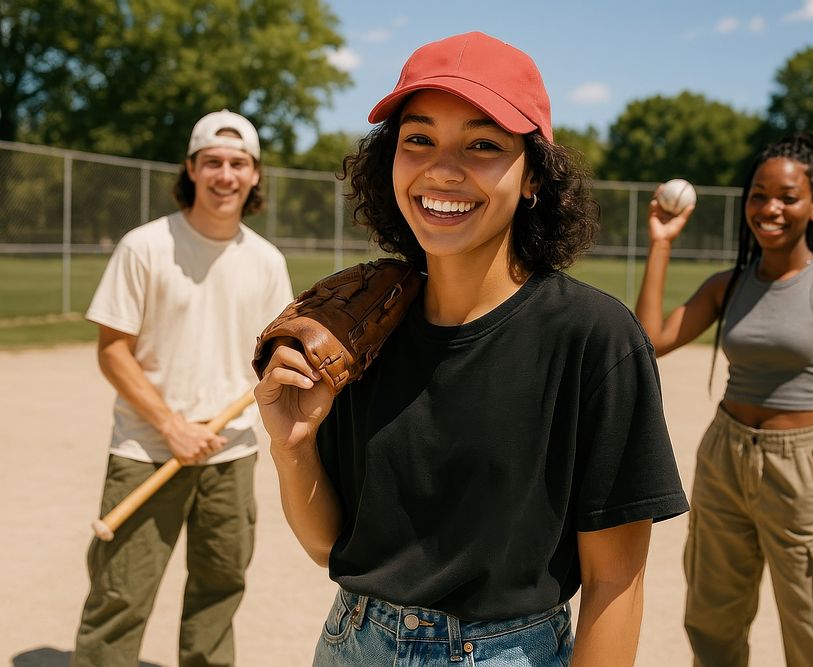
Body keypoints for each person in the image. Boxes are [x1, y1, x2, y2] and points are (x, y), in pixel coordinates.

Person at [254, 31, 689, 667]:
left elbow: (614, 583)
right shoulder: (360, 332)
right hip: (353, 641)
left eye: (483, 144)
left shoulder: (593, 338)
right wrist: (292, 447)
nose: (443, 169)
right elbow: (331, 548)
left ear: (534, 175)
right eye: (418, 139)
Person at [635, 131, 813, 666]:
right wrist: (661, 242)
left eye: (787, 196)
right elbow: (650, 341)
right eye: (758, 195)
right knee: (712, 620)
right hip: (724, 459)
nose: (769, 208)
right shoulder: (727, 285)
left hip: (802, 466)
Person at [73, 109, 294, 667]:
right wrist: (171, 425)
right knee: (119, 595)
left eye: (238, 163)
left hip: (231, 452)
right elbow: (112, 350)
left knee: (219, 594)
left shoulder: (267, 262)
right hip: (146, 451)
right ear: (191, 170)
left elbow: (275, 357)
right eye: (213, 162)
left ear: (254, 176)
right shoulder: (144, 247)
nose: (225, 175)